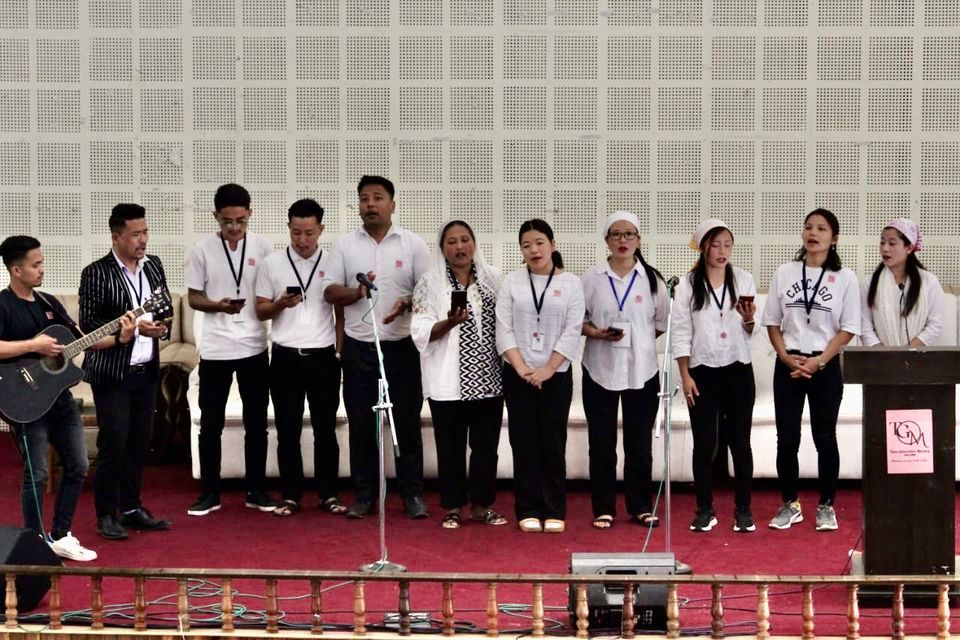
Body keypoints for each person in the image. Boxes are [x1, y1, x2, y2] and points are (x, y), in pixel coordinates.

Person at [322, 175, 432, 520]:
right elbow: (328, 291)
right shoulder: (344, 246)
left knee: (407, 424)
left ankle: (412, 495)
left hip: (401, 348)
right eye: (364, 199)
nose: (370, 204)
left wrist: (408, 303)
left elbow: (429, 294)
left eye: (378, 198)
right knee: (361, 425)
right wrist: (355, 294)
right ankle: (365, 496)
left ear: (392, 204)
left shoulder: (413, 245)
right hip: (359, 349)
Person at [0, 236, 108, 560]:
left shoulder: (49, 303)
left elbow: (82, 340)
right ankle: (35, 543)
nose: (41, 270)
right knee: (38, 474)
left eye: (42, 262)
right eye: (35, 265)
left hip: (59, 398)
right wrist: (33, 346)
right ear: (16, 269)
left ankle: (61, 535)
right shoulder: (3, 305)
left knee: (78, 464)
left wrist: (122, 333)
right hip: (22, 400)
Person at [761, 208, 861, 532]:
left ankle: (826, 506)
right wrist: (785, 356)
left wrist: (819, 362)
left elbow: (848, 329)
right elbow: (772, 322)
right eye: (808, 227)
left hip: (825, 365)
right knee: (786, 439)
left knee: (824, 437)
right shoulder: (785, 272)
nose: (813, 233)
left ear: (834, 239)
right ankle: (790, 504)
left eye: (821, 228)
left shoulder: (845, 278)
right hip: (788, 364)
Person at [79, 204, 174, 540]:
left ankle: (132, 508)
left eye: (145, 232)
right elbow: (87, 328)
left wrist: (159, 330)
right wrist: (124, 335)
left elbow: (166, 313)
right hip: (112, 374)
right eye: (136, 234)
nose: (143, 240)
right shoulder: (96, 273)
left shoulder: (154, 266)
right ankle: (106, 514)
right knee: (114, 444)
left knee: (139, 443)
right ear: (117, 237)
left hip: (146, 371)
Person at [185, 183, 278, 516]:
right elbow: (194, 297)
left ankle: (257, 490)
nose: (235, 228)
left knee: (257, 422)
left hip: (254, 344)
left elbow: (270, 291)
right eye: (227, 222)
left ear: (250, 213)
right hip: (216, 347)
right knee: (211, 423)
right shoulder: (202, 250)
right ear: (216, 217)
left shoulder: (264, 246)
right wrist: (216, 306)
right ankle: (210, 492)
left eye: (240, 220)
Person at [411, 220, 506, 529]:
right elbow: (420, 330)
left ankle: (481, 506)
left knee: (485, 450)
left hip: (488, 380)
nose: (460, 246)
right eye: (451, 241)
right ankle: (452, 507)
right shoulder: (430, 282)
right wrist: (449, 323)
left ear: (474, 243)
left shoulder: (493, 279)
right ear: (442, 248)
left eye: (465, 239)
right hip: (447, 381)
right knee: (450, 449)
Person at [255, 198, 345, 517]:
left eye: (309, 232)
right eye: (296, 232)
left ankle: (328, 495)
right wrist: (280, 304)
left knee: (325, 430)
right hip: (284, 358)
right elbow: (260, 309)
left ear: (321, 229)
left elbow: (340, 312)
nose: (302, 240)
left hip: (323, 358)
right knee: (287, 429)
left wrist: (338, 351)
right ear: (289, 229)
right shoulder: (272, 264)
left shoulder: (334, 263)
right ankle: (291, 495)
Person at [496, 219, 584, 533]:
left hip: (556, 375)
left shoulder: (571, 283)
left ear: (552, 244)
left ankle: (554, 508)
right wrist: (522, 368)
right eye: (526, 245)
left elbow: (573, 331)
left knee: (552, 441)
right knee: (523, 443)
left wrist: (547, 369)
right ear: (521, 250)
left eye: (540, 243)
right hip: (518, 375)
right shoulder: (512, 283)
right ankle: (527, 508)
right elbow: (503, 329)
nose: (534, 250)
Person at [581, 211, 666, 531]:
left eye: (629, 234)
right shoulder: (591, 278)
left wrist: (639, 342)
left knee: (639, 444)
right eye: (616, 234)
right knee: (601, 443)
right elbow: (577, 321)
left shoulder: (652, 279)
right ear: (606, 240)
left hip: (641, 370)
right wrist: (599, 334)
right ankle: (603, 507)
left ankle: (641, 506)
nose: (623, 240)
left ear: (639, 240)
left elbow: (659, 325)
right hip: (599, 368)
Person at [674, 219, 757, 533]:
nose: (722, 251)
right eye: (715, 244)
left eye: (727, 244)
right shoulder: (686, 285)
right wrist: (685, 375)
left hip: (738, 369)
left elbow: (750, 333)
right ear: (703, 247)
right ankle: (704, 509)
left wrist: (749, 321)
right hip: (702, 371)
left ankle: (744, 510)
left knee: (740, 442)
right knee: (704, 443)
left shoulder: (744, 279)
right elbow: (681, 333)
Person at [861, 218, 944, 347]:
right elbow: (865, 326)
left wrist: (906, 353)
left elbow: (934, 325)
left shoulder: (929, 281)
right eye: (882, 242)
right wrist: (884, 354)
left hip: (917, 358)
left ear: (909, 248)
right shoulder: (869, 283)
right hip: (880, 359)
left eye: (892, 243)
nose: (885, 248)